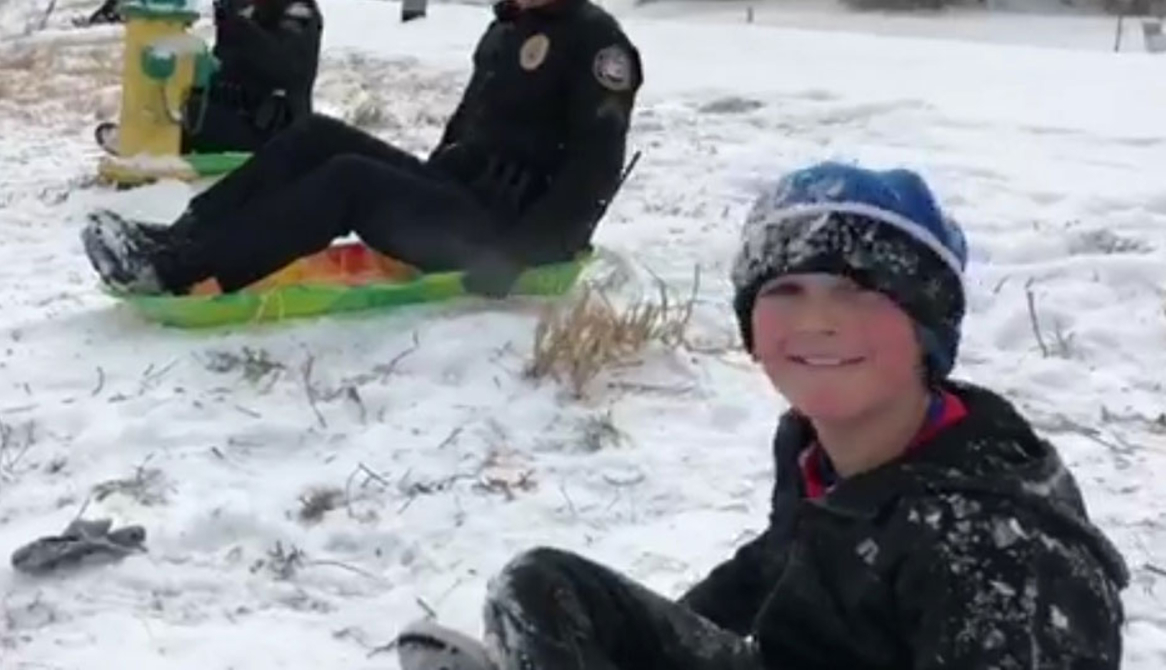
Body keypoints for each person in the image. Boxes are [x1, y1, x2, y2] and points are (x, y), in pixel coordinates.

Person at [394, 162, 1129, 670]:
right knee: (543, 589)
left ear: (927, 325)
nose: (818, 323)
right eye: (785, 293)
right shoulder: (828, 453)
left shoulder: (999, 551)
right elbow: (777, 561)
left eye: (860, 292)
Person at [82, 0, 642, 299]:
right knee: (313, 135)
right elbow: (467, 124)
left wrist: (522, 256)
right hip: (458, 197)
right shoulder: (507, 31)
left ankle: (180, 271)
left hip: (502, 233)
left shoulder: (597, 43)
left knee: (348, 178)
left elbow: (594, 169)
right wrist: (425, 181)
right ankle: (178, 238)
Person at [179, 0, 323, 154]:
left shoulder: (298, 9)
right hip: (236, 114)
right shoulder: (237, 2)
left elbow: (287, 67)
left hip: (279, 127)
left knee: (194, 120)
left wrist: (241, 28)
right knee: (182, 108)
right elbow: (225, 63)